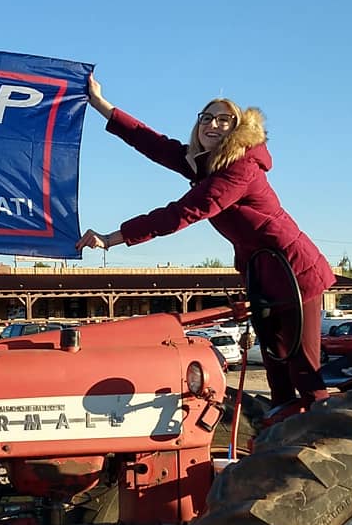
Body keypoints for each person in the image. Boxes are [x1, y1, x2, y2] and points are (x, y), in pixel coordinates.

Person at [76, 76, 336, 420]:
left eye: (223, 119)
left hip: (295, 272)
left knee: (302, 367)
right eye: (206, 117)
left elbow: (183, 213)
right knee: (275, 366)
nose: (212, 124)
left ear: (236, 129)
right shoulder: (206, 164)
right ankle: (282, 439)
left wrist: (113, 238)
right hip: (262, 276)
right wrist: (101, 105)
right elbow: (153, 143)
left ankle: (324, 428)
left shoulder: (239, 168)